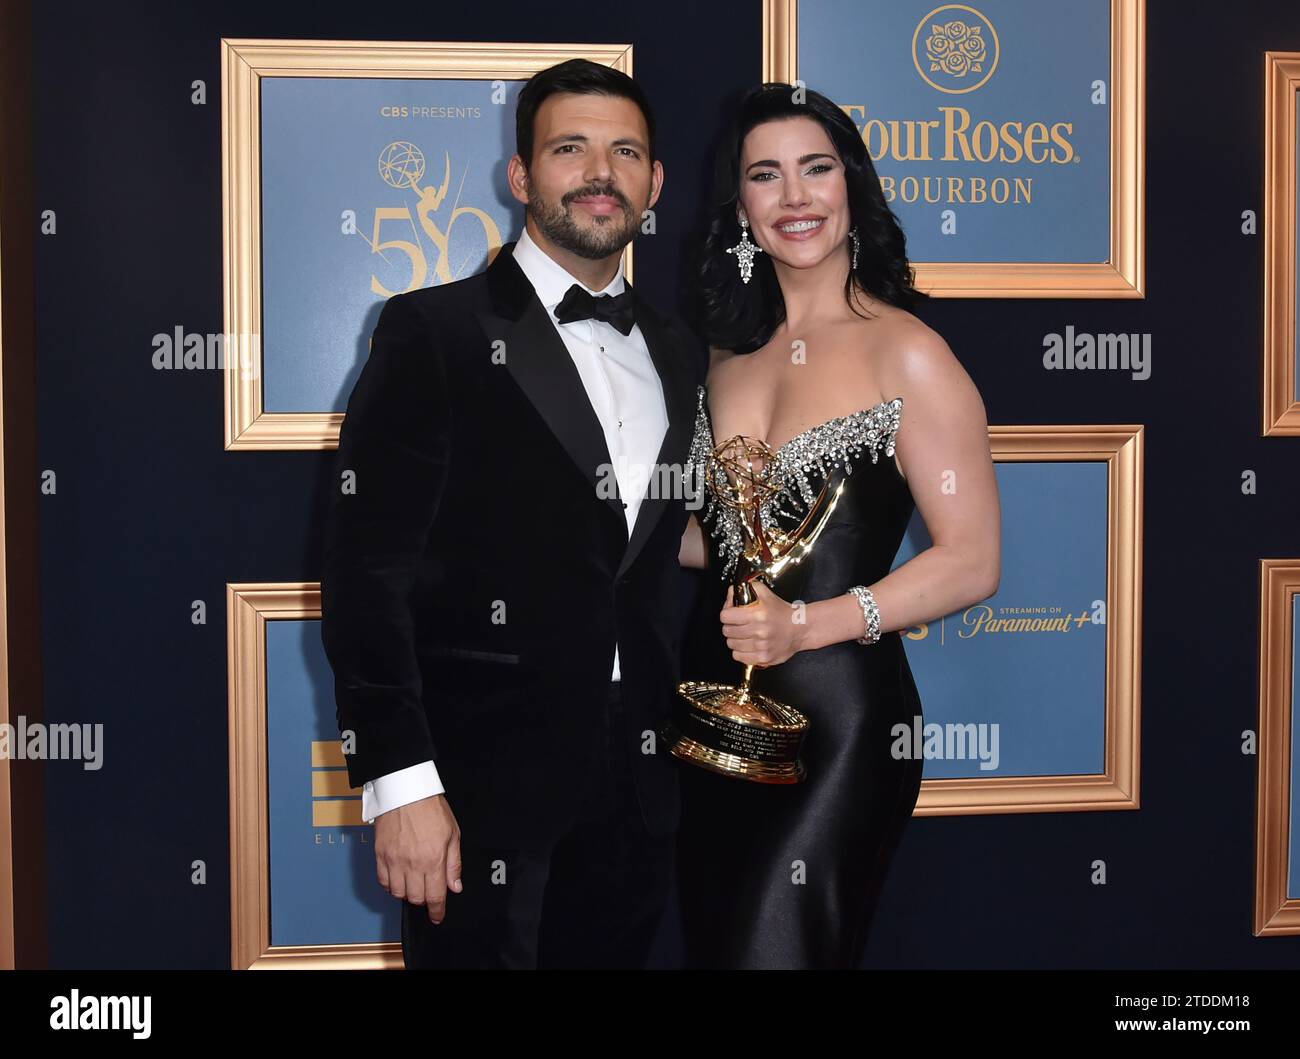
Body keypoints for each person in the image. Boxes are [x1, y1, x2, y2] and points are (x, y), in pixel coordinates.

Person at [320, 58, 704, 969]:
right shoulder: (433, 333)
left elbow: (653, 548)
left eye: (625, 151)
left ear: (654, 182)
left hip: (642, 789)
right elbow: (366, 574)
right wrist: (402, 782)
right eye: (570, 148)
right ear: (522, 176)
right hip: (476, 791)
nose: (600, 171)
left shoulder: (683, 352)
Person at [675, 83, 1001, 969]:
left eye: (816, 169)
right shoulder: (721, 357)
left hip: (843, 725)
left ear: (852, 186)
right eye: (765, 176)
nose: (795, 197)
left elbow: (973, 561)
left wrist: (805, 625)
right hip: (712, 718)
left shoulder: (909, 351)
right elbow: (721, 539)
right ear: (738, 206)